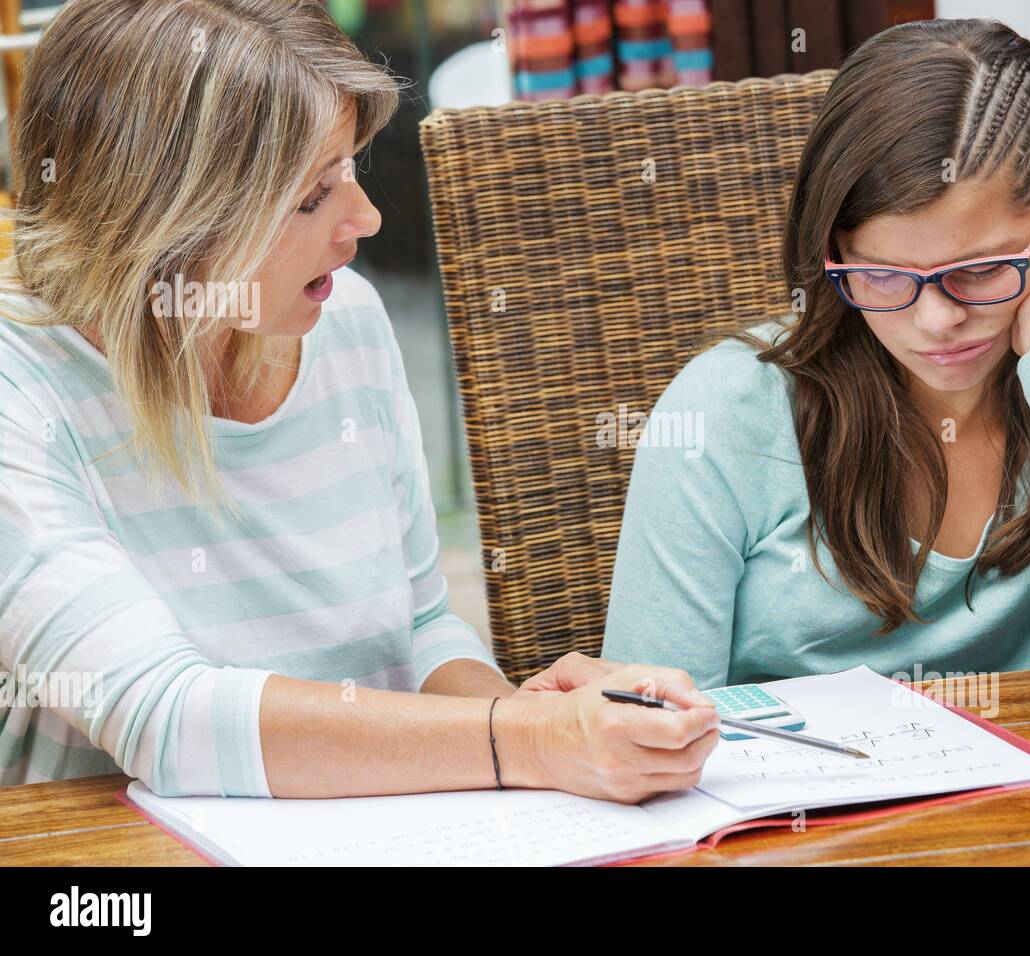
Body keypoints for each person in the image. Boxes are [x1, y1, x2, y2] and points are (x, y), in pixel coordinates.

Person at [0, 0, 718, 802]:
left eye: (349, 172)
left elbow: (417, 629)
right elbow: (164, 719)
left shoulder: (343, 316)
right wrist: (524, 741)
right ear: (158, 220)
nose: (365, 219)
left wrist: (537, 722)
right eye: (310, 198)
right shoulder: (17, 387)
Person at [602, 18, 1030, 698]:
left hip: (1002, 804)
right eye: (883, 275)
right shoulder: (724, 415)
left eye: (981, 270)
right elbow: (644, 718)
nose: (937, 320)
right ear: (836, 249)